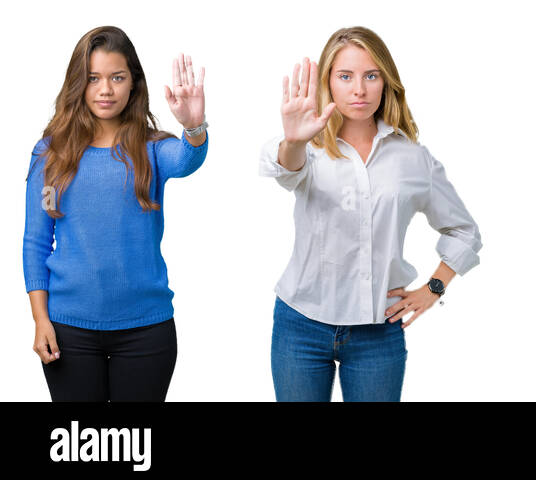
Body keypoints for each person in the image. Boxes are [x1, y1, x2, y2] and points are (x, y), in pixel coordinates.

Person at [260, 26, 481, 402]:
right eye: (345, 76)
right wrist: (294, 140)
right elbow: (286, 170)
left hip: (379, 332)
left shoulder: (412, 158)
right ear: (329, 82)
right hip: (301, 325)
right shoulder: (306, 145)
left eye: (370, 75)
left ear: (386, 82)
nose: (359, 89)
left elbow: (464, 231)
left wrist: (434, 288)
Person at [24, 26, 209, 401]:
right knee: (84, 447)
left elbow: (188, 159)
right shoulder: (51, 154)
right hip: (68, 329)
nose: (105, 89)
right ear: (79, 83)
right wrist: (40, 319)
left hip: (146, 330)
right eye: (93, 79)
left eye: (117, 77)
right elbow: (37, 242)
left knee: (134, 448)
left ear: (133, 83)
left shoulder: (152, 149)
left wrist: (193, 126)